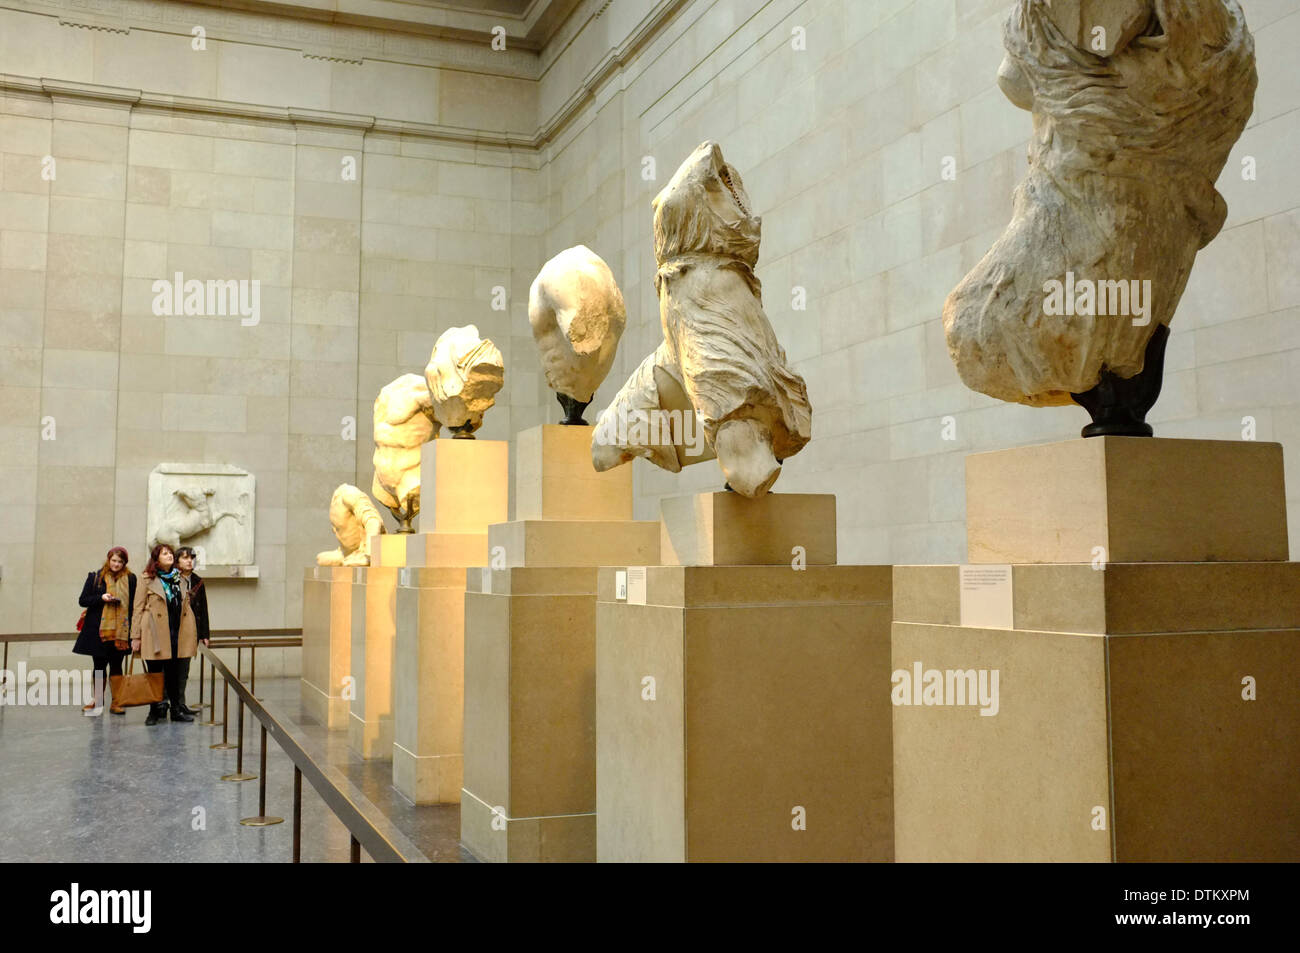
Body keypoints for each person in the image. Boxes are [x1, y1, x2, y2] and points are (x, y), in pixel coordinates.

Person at [131, 543, 199, 726]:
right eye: (165, 553)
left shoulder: (181, 579)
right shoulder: (146, 579)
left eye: (170, 553)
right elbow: (137, 608)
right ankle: (154, 711)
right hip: (154, 632)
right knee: (154, 674)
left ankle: (176, 710)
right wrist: (135, 636)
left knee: (174, 674)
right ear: (156, 559)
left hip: (177, 632)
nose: (169, 555)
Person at [72, 547, 137, 717]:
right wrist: (101, 598)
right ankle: (98, 701)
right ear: (108, 560)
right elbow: (83, 600)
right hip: (98, 632)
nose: (116, 564)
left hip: (121, 632)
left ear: (124, 563)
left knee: (117, 666)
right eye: (114, 560)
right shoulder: (96, 577)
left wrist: (135, 630)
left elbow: (134, 605)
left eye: (120, 562)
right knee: (99, 667)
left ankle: (117, 702)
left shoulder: (130, 579)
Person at [174, 546, 210, 716]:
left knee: (183, 670)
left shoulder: (198, 581)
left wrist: (205, 634)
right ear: (177, 561)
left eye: (192, 558)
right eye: (185, 558)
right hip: (173, 631)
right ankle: (164, 705)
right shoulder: (171, 579)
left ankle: (181, 704)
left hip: (190, 631)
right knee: (168, 670)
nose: (189, 561)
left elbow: (203, 609)